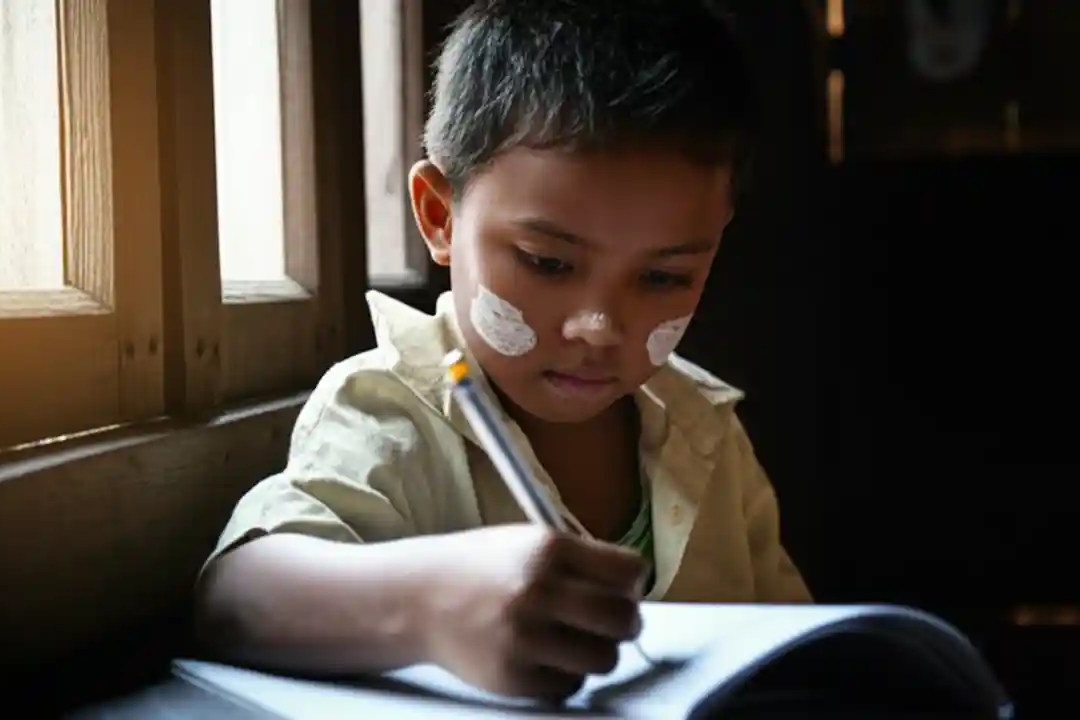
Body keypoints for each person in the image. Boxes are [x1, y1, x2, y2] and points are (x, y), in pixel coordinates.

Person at [194, 0, 811, 701]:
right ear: (439, 216)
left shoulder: (708, 431)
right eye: (548, 263)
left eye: (664, 277)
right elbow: (235, 597)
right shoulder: (393, 411)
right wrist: (428, 606)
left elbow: (791, 647)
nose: (599, 326)